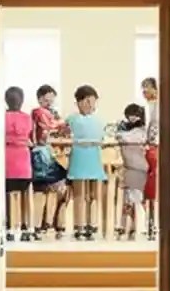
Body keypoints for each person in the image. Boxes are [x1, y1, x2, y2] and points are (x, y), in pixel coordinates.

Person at [65, 85, 107, 241]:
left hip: (94, 157)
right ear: (79, 102)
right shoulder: (72, 119)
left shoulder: (99, 120)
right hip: (79, 157)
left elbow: (103, 137)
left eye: (93, 101)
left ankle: (92, 223)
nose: (90, 105)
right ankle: (79, 225)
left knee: (92, 195)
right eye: (87, 101)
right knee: (79, 194)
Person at [30, 85, 70, 239]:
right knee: (43, 191)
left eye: (52, 98)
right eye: (46, 98)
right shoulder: (38, 112)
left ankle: (50, 223)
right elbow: (49, 127)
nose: (50, 101)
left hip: (53, 155)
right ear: (39, 98)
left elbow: (62, 130)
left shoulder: (52, 113)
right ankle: (41, 225)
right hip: (41, 155)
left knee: (57, 190)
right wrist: (61, 124)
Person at [3, 86, 34, 241]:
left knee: (7, 194)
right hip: (23, 159)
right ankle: (26, 227)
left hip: (7, 159)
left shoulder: (1, 117)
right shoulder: (27, 118)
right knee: (24, 193)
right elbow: (31, 138)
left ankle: (8, 227)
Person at [114, 103, 149, 241]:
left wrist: (120, 133)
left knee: (138, 200)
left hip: (139, 169)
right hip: (130, 167)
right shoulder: (127, 130)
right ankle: (127, 228)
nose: (132, 117)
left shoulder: (140, 131)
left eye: (135, 114)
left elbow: (127, 138)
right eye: (130, 115)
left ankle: (139, 227)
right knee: (129, 200)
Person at [141, 77, 160, 240]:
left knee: (155, 186)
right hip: (146, 150)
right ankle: (149, 222)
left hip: (156, 148)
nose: (144, 91)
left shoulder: (162, 106)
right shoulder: (145, 108)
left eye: (147, 87)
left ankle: (155, 223)